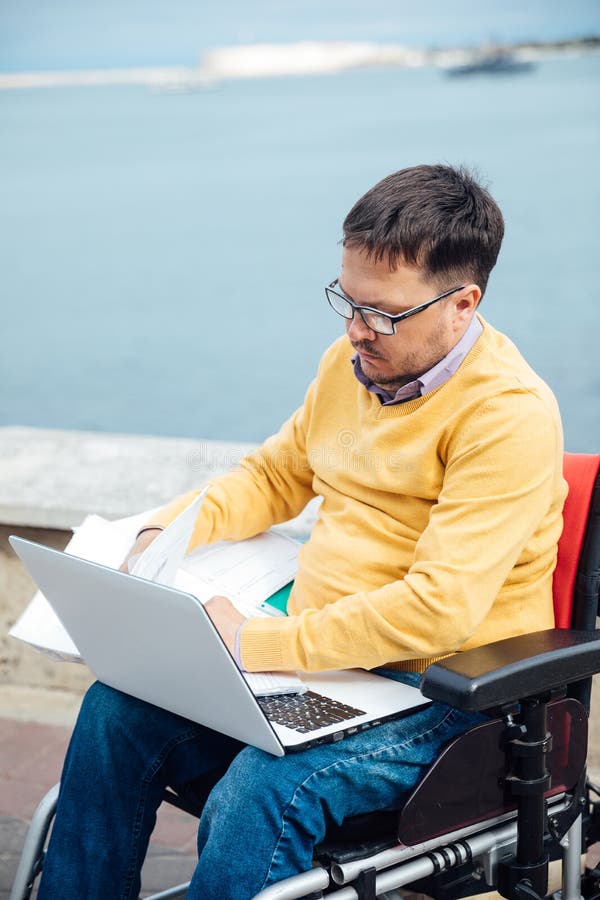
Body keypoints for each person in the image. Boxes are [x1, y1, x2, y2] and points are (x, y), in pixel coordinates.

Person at [37, 164, 567, 900]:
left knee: (265, 786)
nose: (356, 329)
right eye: (346, 301)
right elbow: (275, 478)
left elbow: (437, 608)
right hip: (327, 673)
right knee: (114, 713)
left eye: (380, 312)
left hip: (443, 701)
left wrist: (255, 644)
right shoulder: (351, 367)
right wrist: (163, 530)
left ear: (462, 303)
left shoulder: (507, 416)